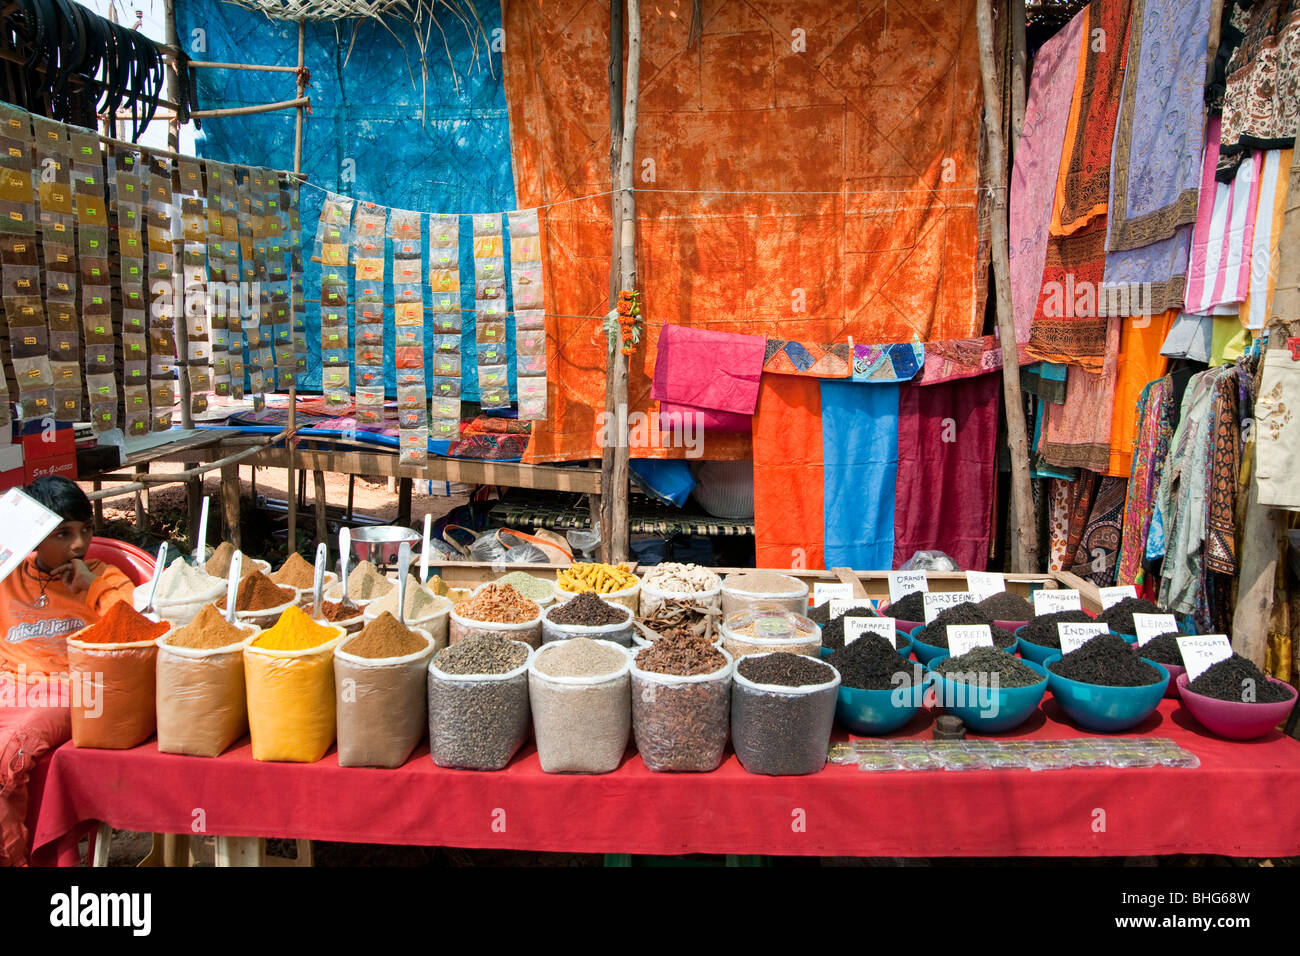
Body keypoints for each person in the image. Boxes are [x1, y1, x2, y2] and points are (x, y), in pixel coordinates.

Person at [0, 476, 135, 682]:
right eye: (63, 534)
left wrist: (93, 586)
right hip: (12, 689)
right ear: (33, 539)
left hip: (79, 690)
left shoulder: (106, 577)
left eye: (86, 529)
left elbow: (139, 631)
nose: (80, 544)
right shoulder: (8, 577)